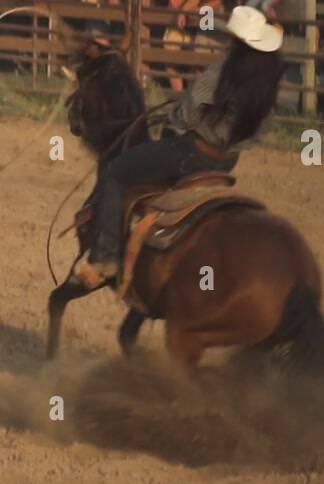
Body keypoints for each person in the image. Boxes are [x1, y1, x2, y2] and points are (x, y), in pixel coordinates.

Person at [74, 6, 285, 287]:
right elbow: (258, 133)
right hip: (226, 162)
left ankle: (106, 257)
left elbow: (187, 112)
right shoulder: (266, 84)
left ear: (237, 41)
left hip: (191, 154)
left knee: (116, 171)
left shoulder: (223, 71)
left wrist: (175, 121)